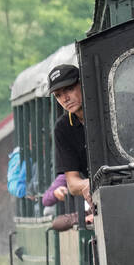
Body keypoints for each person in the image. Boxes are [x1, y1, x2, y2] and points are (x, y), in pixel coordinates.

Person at [48, 64, 93, 222]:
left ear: (83, 83)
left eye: (69, 89)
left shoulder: (111, 106)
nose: (65, 99)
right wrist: (89, 184)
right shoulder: (63, 128)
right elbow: (72, 184)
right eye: (58, 95)